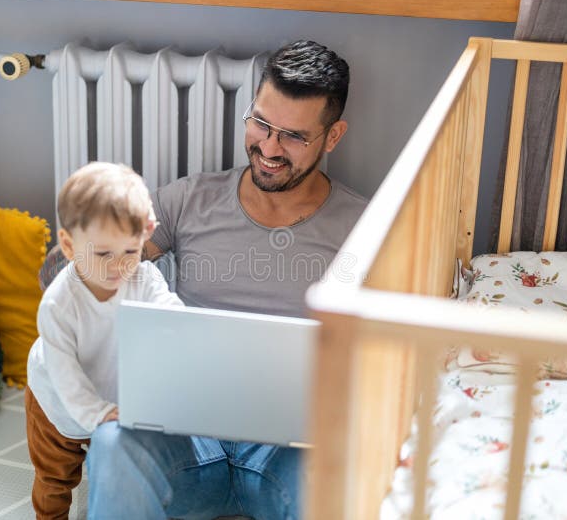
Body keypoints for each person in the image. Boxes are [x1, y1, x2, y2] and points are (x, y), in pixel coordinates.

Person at [83, 40, 369, 519]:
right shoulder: (191, 200)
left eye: (294, 136)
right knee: (112, 443)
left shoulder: (363, 228)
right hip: (188, 437)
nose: (270, 148)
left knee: (342, 486)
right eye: (261, 123)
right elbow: (90, 271)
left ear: (332, 136)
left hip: (292, 450)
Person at [24, 162, 183, 519]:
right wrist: (99, 414)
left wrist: (182, 333)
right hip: (55, 402)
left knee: (113, 462)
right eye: (103, 254)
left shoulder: (144, 278)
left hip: (112, 389)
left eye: (130, 250)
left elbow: (170, 314)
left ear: (146, 234)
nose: (118, 266)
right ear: (68, 244)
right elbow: (67, 378)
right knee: (55, 477)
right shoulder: (58, 305)